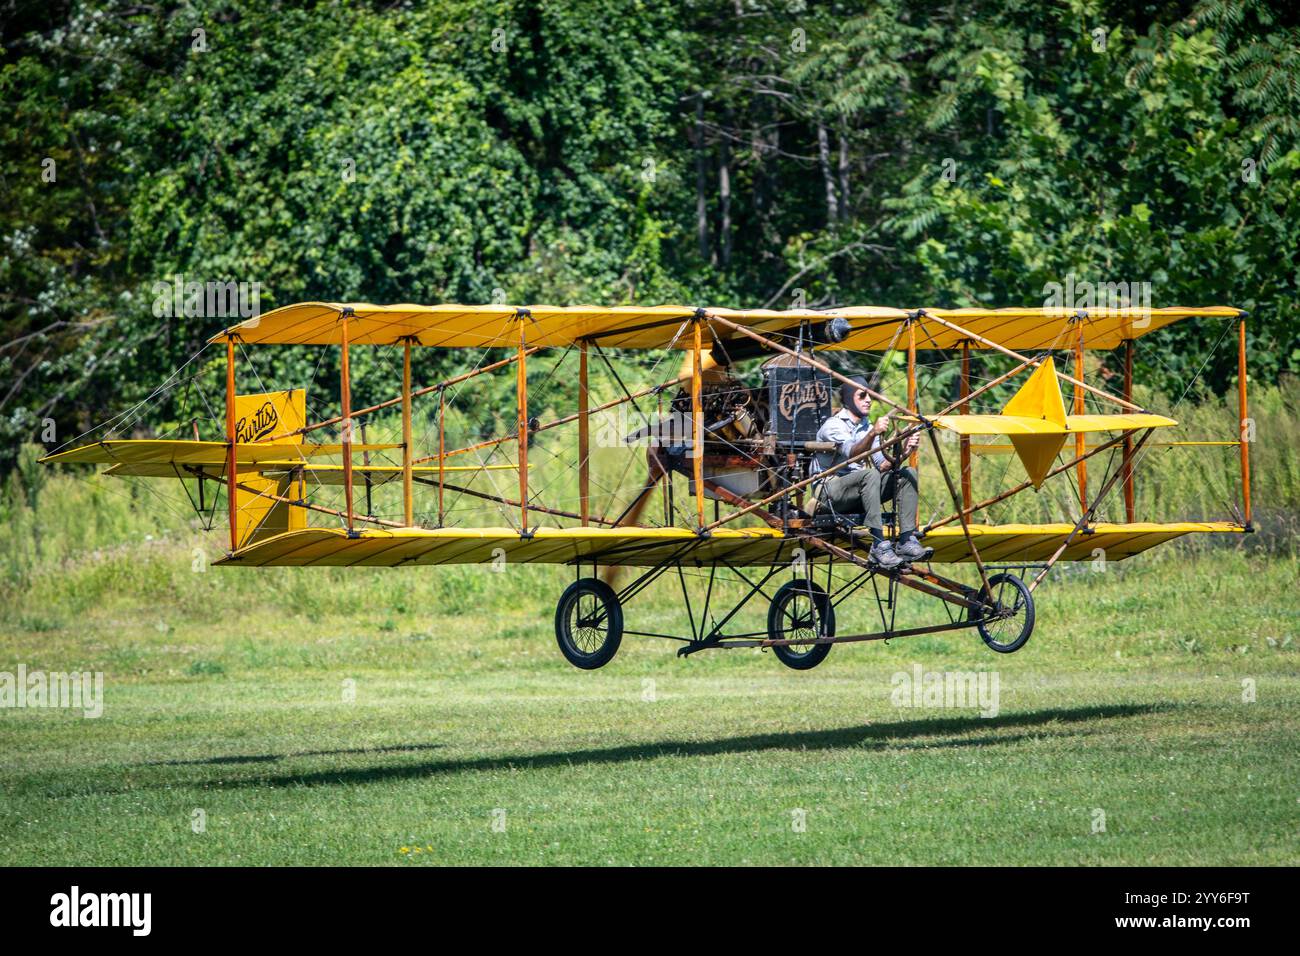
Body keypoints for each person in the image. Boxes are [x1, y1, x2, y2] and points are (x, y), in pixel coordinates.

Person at [810, 375, 925, 569]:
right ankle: (878, 544)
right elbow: (852, 453)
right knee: (869, 475)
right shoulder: (833, 425)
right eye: (862, 395)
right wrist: (873, 434)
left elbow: (883, 465)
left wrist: (905, 449)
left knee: (907, 474)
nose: (868, 400)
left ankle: (906, 540)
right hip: (829, 492)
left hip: (858, 489)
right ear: (847, 399)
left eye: (869, 395)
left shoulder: (867, 426)